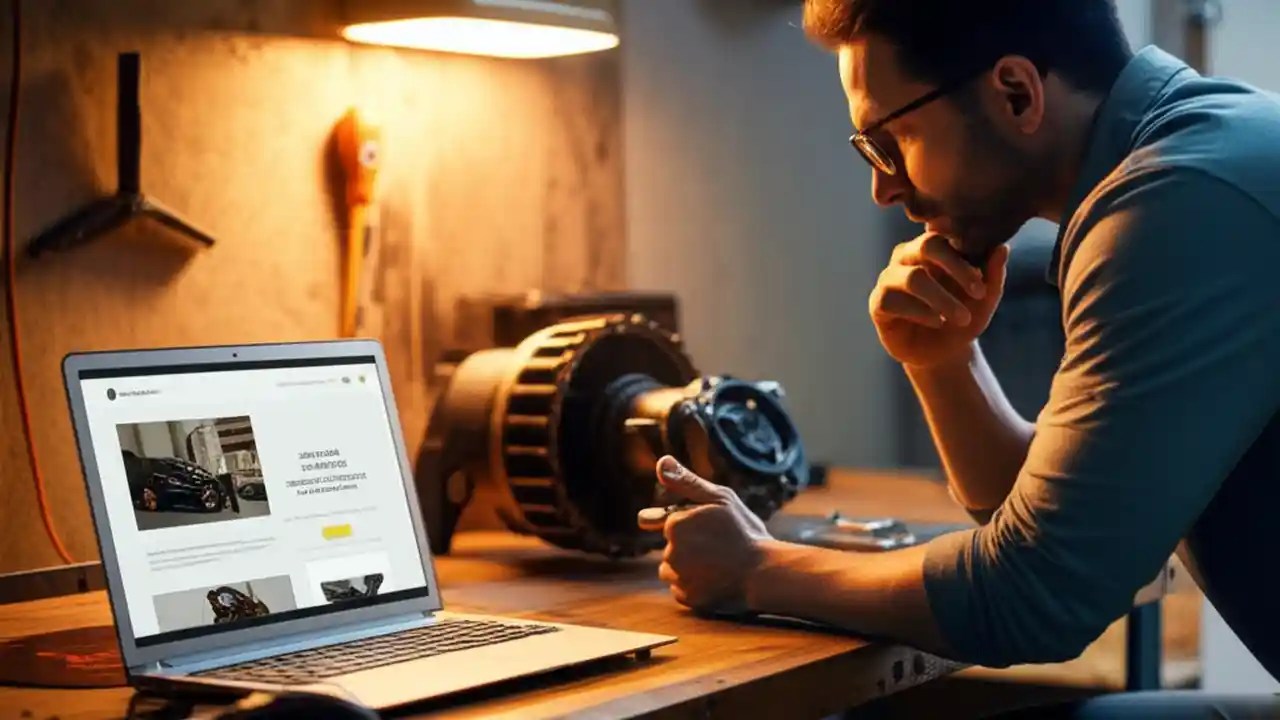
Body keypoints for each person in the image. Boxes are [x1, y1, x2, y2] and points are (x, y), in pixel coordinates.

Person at [639, 0, 1280, 716]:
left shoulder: (1179, 207)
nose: (883, 185)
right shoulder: (1198, 154)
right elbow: (1075, 517)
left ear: (1015, 92)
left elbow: (1040, 594)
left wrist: (757, 570)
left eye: (893, 138)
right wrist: (943, 361)